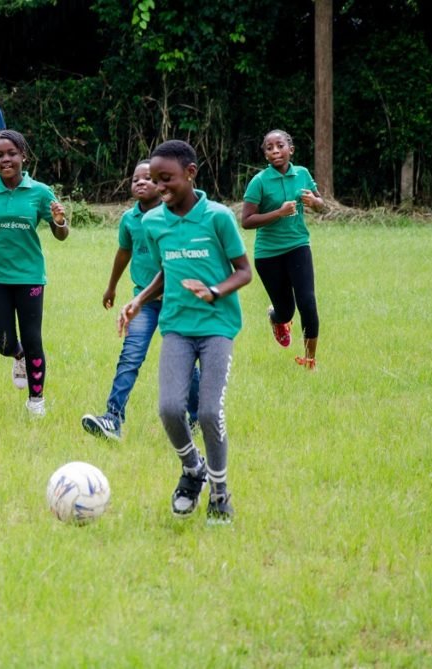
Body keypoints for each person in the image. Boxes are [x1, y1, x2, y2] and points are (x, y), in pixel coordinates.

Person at [119, 140, 252, 524]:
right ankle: (193, 470)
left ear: (190, 174)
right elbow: (167, 271)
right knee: (170, 409)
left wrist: (214, 291)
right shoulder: (153, 222)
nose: (160, 187)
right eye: (154, 180)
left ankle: (221, 492)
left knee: (209, 412)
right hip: (176, 326)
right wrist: (140, 299)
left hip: (216, 327)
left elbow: (244, 271)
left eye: (167, 179)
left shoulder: (217, 217)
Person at [81, 160, 200, 441]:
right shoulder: (129, 220)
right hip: (142, 303)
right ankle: (112, 418)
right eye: (136, 179)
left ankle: (197, 417)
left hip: (176, 301)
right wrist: (111, 287)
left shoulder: (173, 216)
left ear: (162, 184)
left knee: (185, 364)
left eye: (148, 178)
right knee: (130, 356)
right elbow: (124, 253)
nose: (141, 183)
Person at [0, 129, 68, 418]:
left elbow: (61, 234)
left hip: (30, 275)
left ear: (23, 156)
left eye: (11, 154)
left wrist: (59, 221)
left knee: (33, 338)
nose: (6, 159)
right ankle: (17, 356)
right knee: (4, 343)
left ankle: (36, 401)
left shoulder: (40, 192)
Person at [241, 129, 326, 370]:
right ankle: (277, 318)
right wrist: (278, 213)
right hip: (268, 255)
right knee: (286, 310)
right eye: (269, 148)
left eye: (280, 146)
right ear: (265, 154)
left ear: (291, 149)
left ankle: (310, 360)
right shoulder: (259, 182)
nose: (275, 151)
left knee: (307, 301)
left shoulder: (303, 174)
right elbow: (246, 221)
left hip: (298, 245)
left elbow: (322, 206)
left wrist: (316, 203)